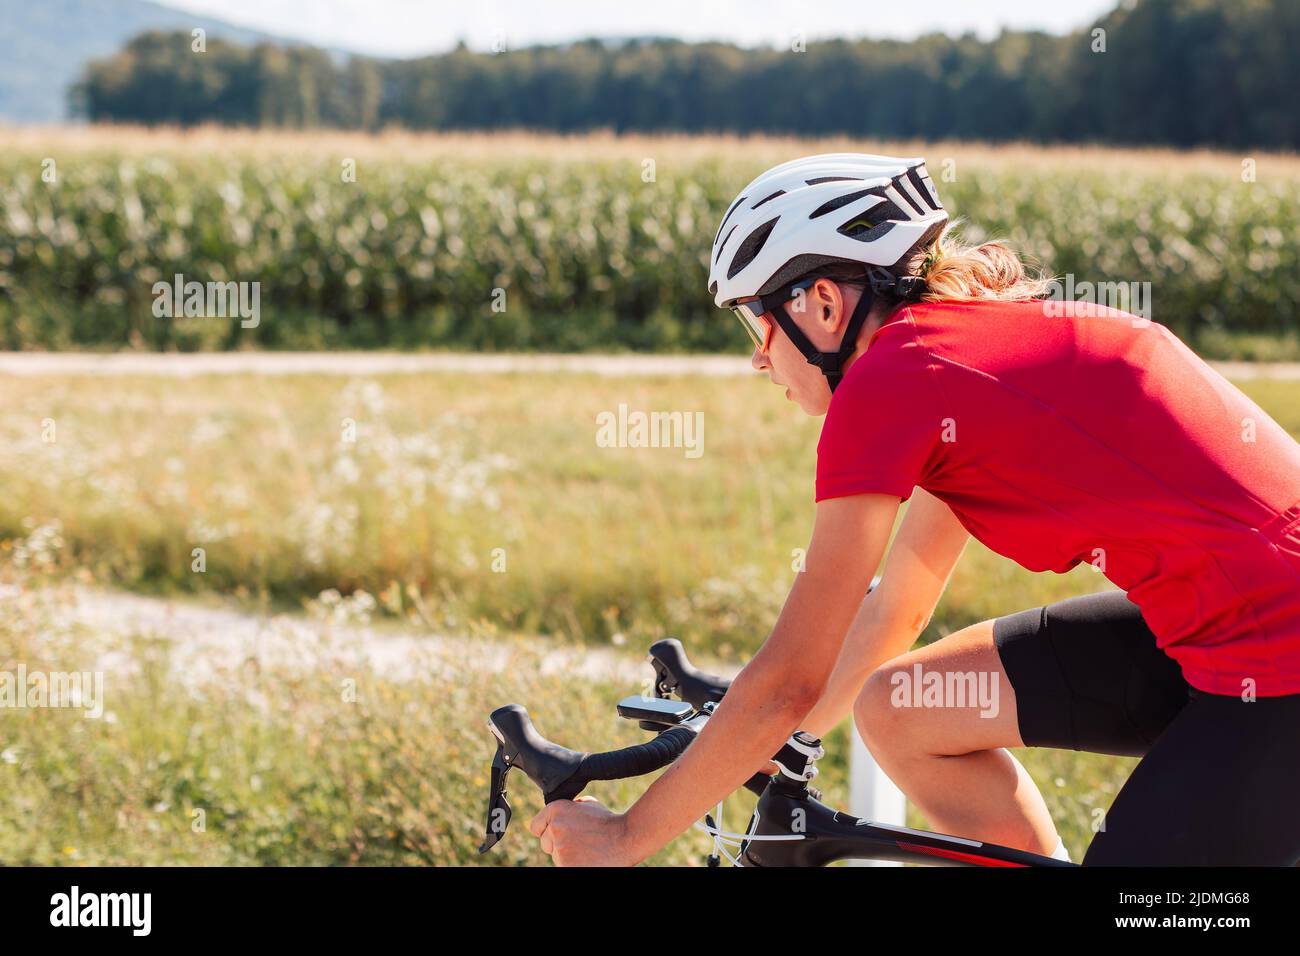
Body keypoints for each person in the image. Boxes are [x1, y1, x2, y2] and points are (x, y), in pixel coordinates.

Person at [530, 153, 1300, 866]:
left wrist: (627, 837)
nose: (758, 358)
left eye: (756, 321)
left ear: (822, 304)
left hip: (1276, 658)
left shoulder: (895, 383)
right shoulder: (951, 365)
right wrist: (778, 744)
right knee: (904, 708)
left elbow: (789, 678)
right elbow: (896, 606)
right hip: (1220, 627)